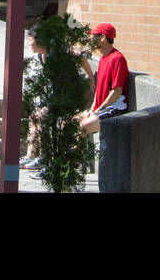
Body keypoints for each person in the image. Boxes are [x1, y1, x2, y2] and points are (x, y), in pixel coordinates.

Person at [20, 23, 94, 170]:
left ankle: (44, 158)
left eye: (31, 40)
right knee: (34, 114)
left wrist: (91, 78)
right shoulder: (43, 56)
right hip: (58, 96)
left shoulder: (58, 52)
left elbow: (80, 57)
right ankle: (31, 154)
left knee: (44, 115)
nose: (29, 44)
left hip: (71, 97)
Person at [79, 23, 128, 134]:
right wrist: (92, 110)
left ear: (103, 38)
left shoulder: (117, 58)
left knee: (83, 127)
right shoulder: (102, 58)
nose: (92, 40)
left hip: (115, 107)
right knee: (69, 124)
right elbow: (99, 90)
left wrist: (98, 110)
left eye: (94, 36)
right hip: (100, 108)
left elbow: (116, 91)